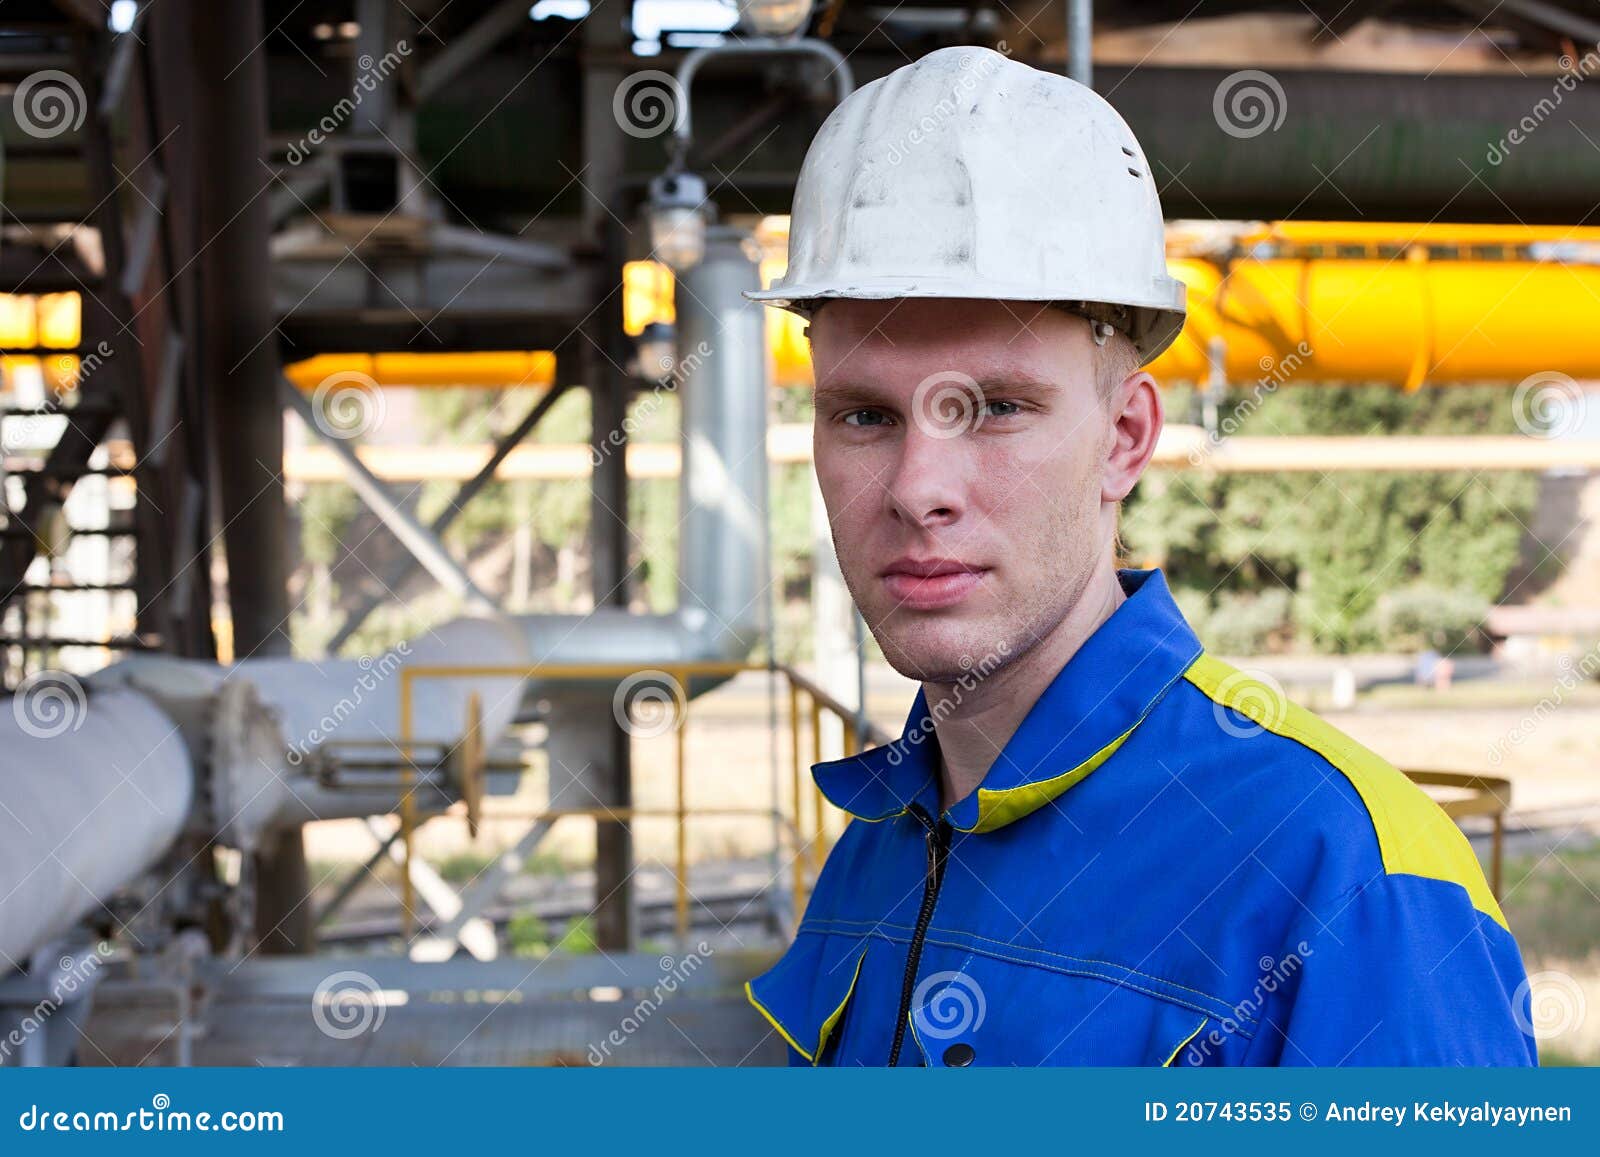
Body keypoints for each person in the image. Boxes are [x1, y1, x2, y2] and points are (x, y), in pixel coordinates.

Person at [741, 46, 1535, 1067]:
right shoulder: (880, 843)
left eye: (995, 408)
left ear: (1123, 438)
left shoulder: (1344, 878)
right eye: (862, 413)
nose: (914, 487)